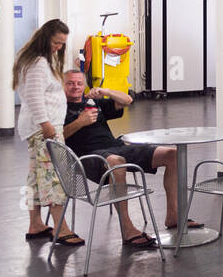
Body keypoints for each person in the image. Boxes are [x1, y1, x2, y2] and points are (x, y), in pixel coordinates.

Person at [60, 70, 189, 247]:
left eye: (79, 83)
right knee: (116, 163)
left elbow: (127, 100)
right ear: (62, 86)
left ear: (84, 86)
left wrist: (105, 92)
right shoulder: (58, 109)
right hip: (87, 157)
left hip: (116, 148)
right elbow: (55, 137)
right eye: (70, 83)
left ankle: (173, 215)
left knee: (172, 155)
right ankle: (127, 228)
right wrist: (80, 122)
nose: (75, 87)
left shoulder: (93, 102)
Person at [13, 19, 82, 246]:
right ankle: (61, 229)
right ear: (45, 38)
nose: (59, 47)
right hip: (45, 129)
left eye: (62, 44)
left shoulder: (35, 60)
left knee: (34, 179)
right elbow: (34, 96)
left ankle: (35, 225)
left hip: (39, 129)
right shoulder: (39, 63)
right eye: (56, 42)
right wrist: (46, 125)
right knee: (54, 178)